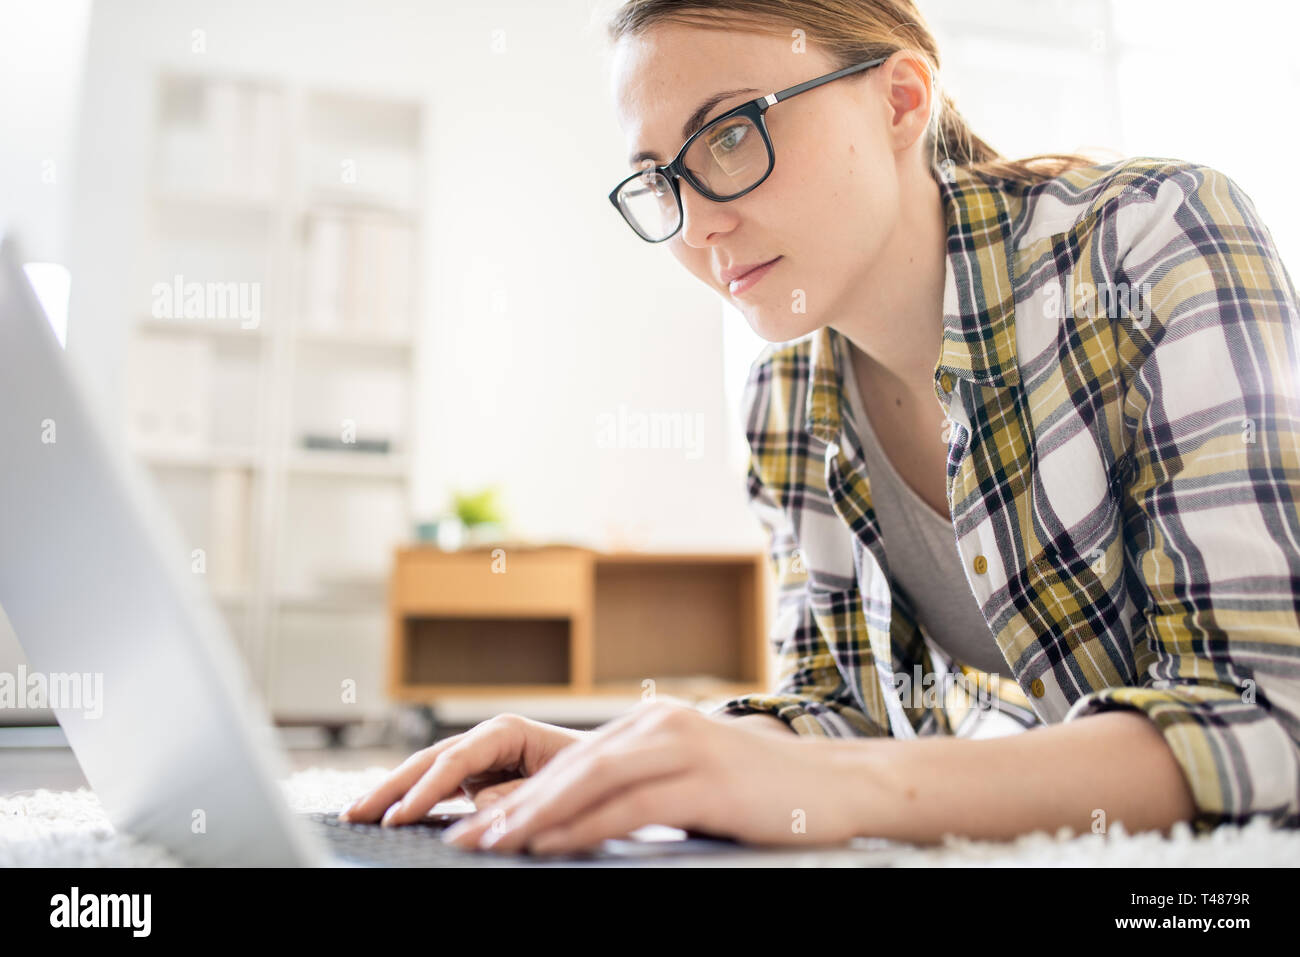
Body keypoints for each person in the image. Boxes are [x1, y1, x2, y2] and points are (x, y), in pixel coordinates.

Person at [341, 0, 1300, 854]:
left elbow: (1268, 719)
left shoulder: (1155, 239)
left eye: (728, 134)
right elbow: (839, 711)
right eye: (659, 177)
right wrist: (626, 760)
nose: (697, 227)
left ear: (900, 100)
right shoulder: (782, 396)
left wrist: (834, 787)